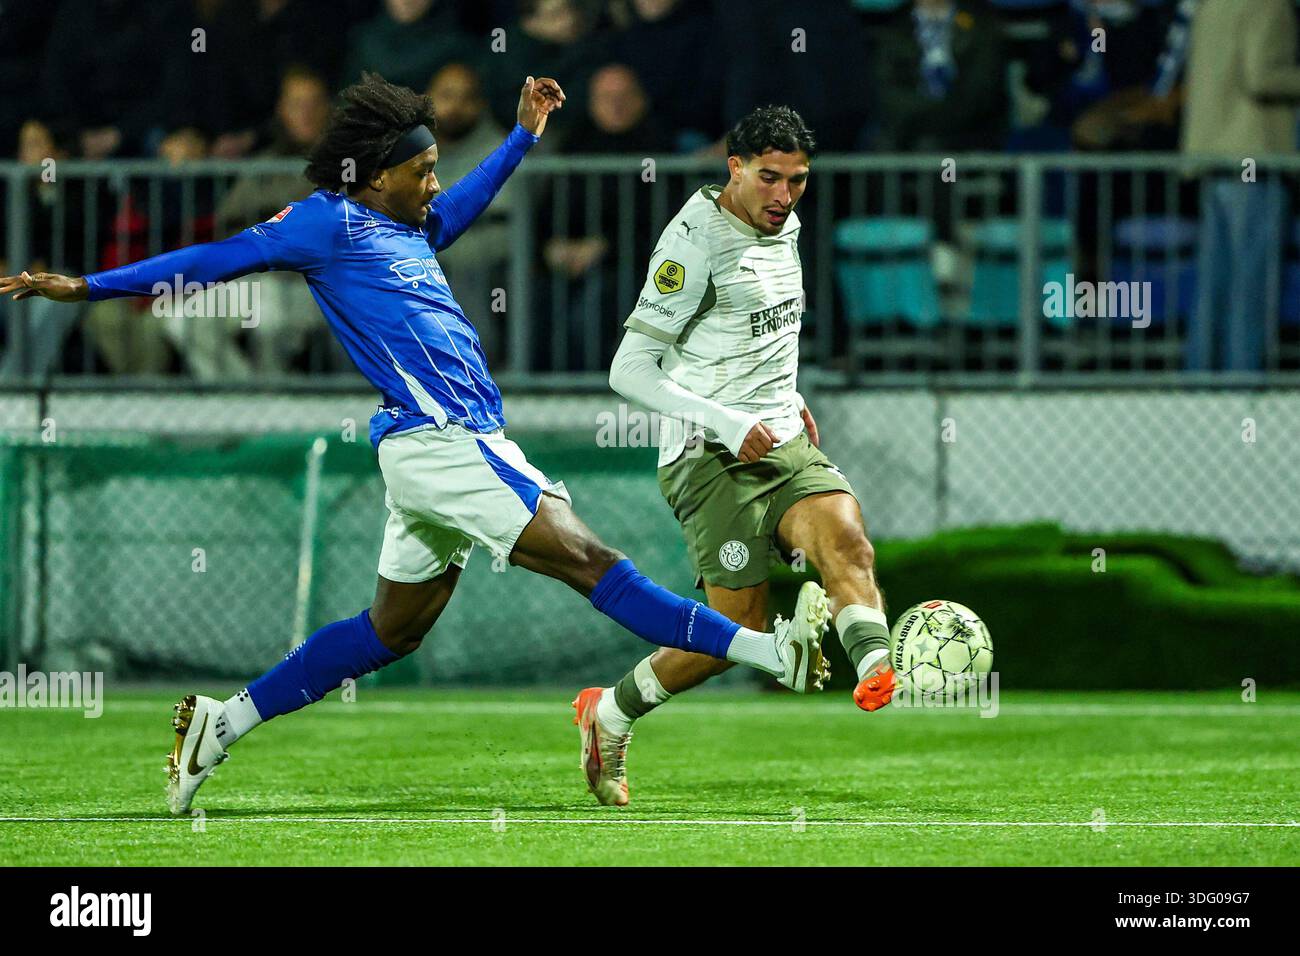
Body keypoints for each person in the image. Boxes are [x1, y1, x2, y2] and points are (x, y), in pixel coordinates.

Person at [1, 73, 831, 816]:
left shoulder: (412, 225)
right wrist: (88, 285)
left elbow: (462, 207)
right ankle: (769, 650)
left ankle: (224, 721)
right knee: (593, 563)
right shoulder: (325, 223)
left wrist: (521, 138)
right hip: (445, 442)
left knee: (390, 632)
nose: (434, 181)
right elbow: (219, 257)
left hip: (432, 446)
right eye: (422, 168)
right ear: (374, 172)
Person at [571, 106, 894, 807]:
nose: (784, 196)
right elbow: (628, 371)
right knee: (735, 633)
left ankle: (879, 669)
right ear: (735, 168)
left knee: (847, 539)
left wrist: (788, 390)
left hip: (782, 437)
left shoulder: (789, 225)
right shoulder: (693, 244)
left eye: (798, 182)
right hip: (707, 456)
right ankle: (611, 714)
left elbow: (759, 328)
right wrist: (723, 418)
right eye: (770, 179)